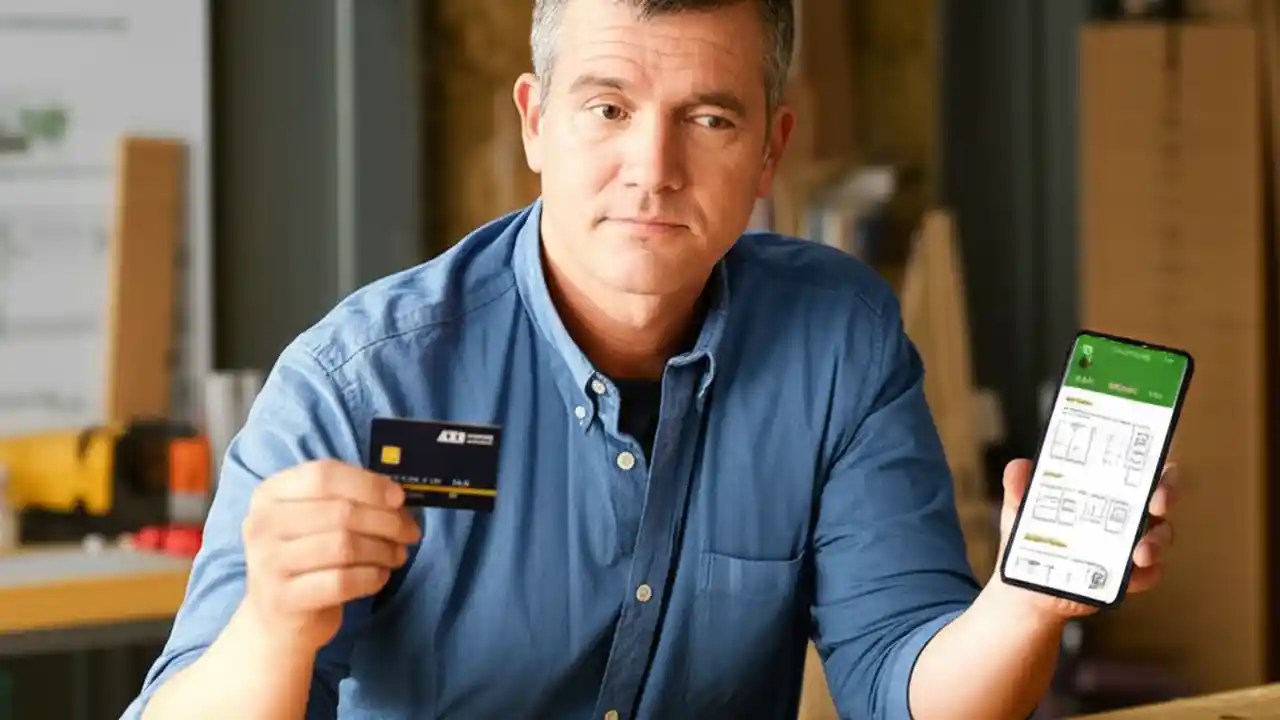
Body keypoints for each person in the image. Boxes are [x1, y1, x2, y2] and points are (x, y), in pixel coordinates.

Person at [127, 1, 1179, 718]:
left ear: (768, 150)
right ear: (535, 124)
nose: (652, 169)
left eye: (706, 118)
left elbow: (905, 687)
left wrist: (1024, 602)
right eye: (607, 109)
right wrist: (271, 626)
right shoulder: (363, 381)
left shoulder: (835, 341)